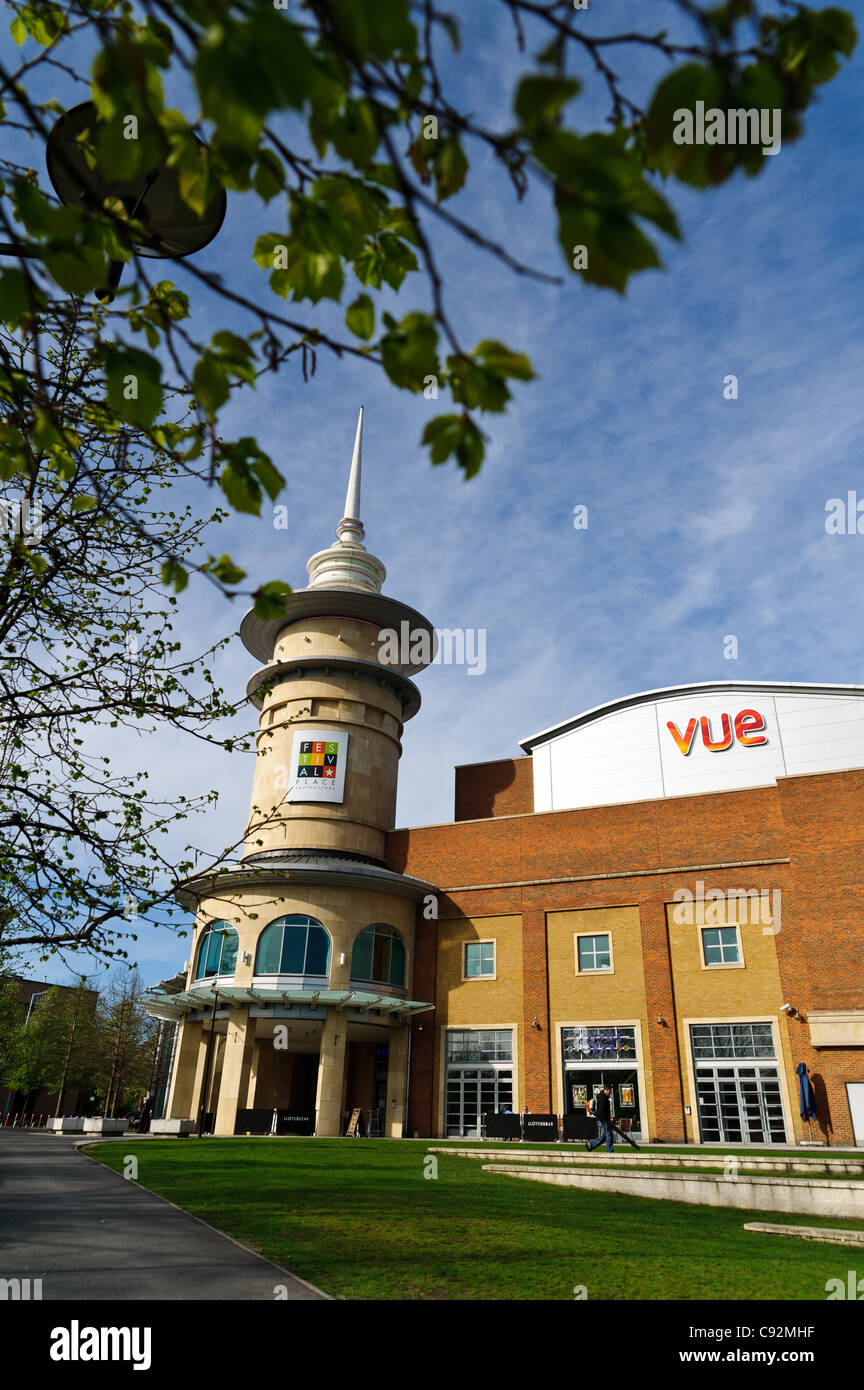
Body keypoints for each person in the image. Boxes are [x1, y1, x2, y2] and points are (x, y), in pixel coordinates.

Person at [585, 1084, 614, 1154]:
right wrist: (607, 1118)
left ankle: (591, 1145)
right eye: (610, 1091)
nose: (610, 1093)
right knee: (609, 1135)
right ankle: (609, 1151)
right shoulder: (603, 1097)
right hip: (604, 1119)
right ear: (607, 1090)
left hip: (603, 1118)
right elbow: (602, 1110)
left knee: (604, 1136)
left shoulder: (602, 1097)